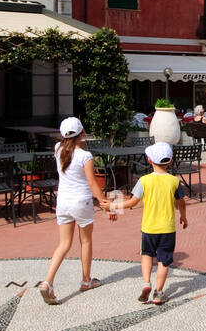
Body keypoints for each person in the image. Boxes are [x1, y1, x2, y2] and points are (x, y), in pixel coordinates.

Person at [40, 118, 109, 305]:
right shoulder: (85, 156)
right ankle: (86, 280)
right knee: (85, 241)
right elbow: (92, 182)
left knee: (63, 244)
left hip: (62, 202)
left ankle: (48, 282)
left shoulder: (58, 149)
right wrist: (105, 202)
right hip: (81, 202)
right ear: (83, 132)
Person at [114, 141, 187, 304]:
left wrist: (114, 205)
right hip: (167, 229)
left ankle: (146, 283)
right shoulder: (174, 181)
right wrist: (183, 216)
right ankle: (159, 292)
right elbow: (181, 201)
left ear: (149, 160)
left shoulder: (144, 180)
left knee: (146, 255)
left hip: (148, 228)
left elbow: (133, 202)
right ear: (171, 161)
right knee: (164, 261)